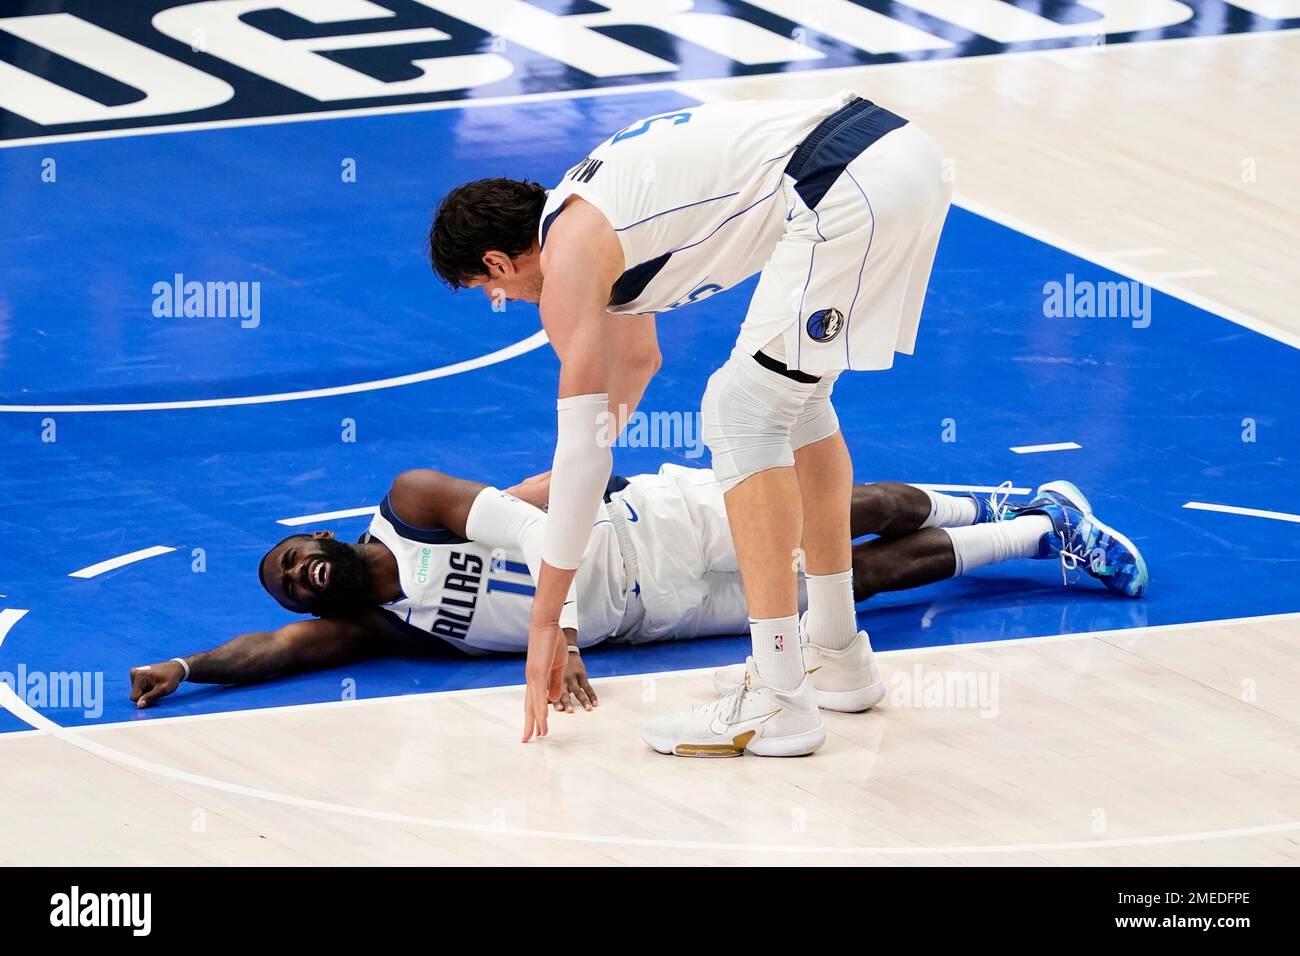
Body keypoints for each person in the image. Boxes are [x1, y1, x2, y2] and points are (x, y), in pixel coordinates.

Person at [430, 89, 960, 751]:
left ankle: (778, 695)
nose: (500, 300)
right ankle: (833, 652)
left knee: (741, 413)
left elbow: (584, 449)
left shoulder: (568, 259)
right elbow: (635, 368)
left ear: (497, 263)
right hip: (889, 158)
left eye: (490, 291)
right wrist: (573, 476)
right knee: (794, 403)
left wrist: (546, 624)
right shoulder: (591, 225)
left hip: (847, 180)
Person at [130, 465, 1147, 741]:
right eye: (291, 586)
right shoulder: (368, 622)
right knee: (850, 584)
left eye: (299, 561)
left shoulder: (410, 505)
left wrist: (554, 628)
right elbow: (269, 649)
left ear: (326, 538)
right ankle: (1043, 531)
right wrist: (183, 667)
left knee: (833, 511)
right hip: (650, 616)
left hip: (643, 528)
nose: (301, 579)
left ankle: (995, 494)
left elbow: (536, 529)